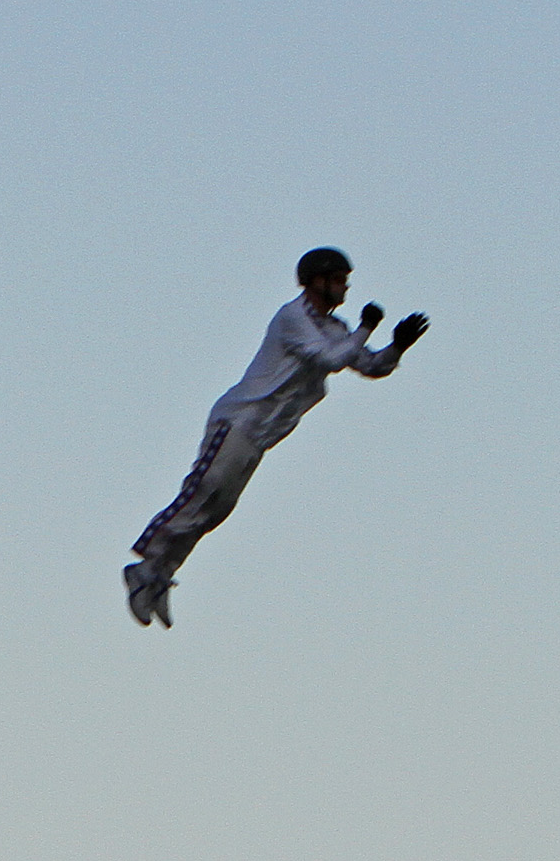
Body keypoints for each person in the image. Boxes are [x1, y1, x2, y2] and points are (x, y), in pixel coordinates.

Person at [125, 248, 428, 627]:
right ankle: (143, 565)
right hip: (238, 420)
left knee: (216, 510)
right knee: (202, 490)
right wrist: (366, 328)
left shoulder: (336, 330)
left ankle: (157, 576)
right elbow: (328, 361)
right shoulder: (293, 317)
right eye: (337, 279)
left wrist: (397, 346)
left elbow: (368, 365)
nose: (345, 286)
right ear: (317, 281)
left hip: (261, 435)